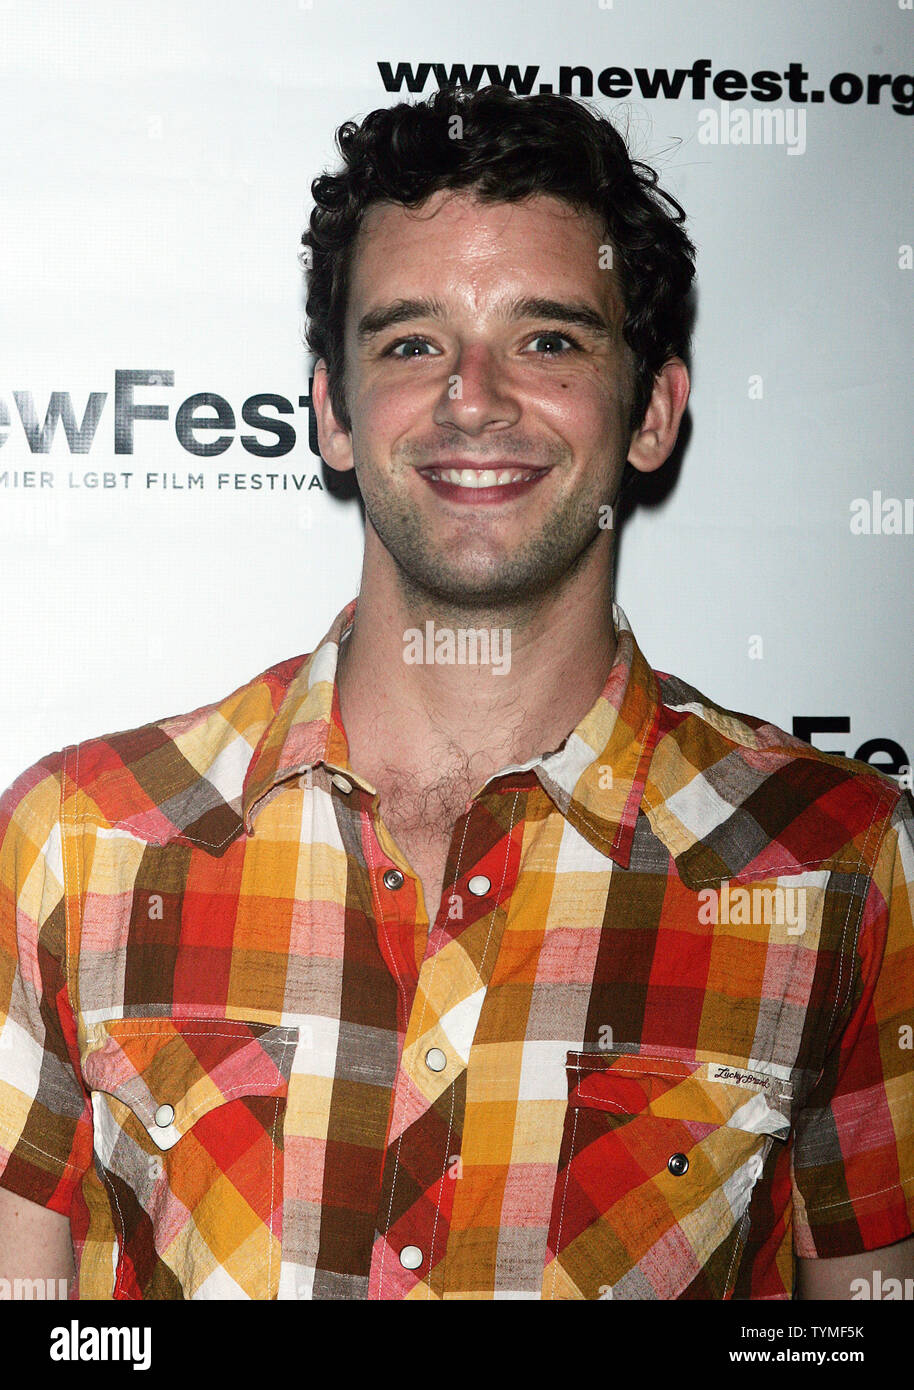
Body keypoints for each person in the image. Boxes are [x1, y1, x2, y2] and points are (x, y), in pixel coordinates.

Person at [0, 85, 911, 1302]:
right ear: (328, 410)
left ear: (651, 412)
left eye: (547, 340)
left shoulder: (837, 865)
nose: (471, 397)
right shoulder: (82, 839)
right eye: (411, 341)